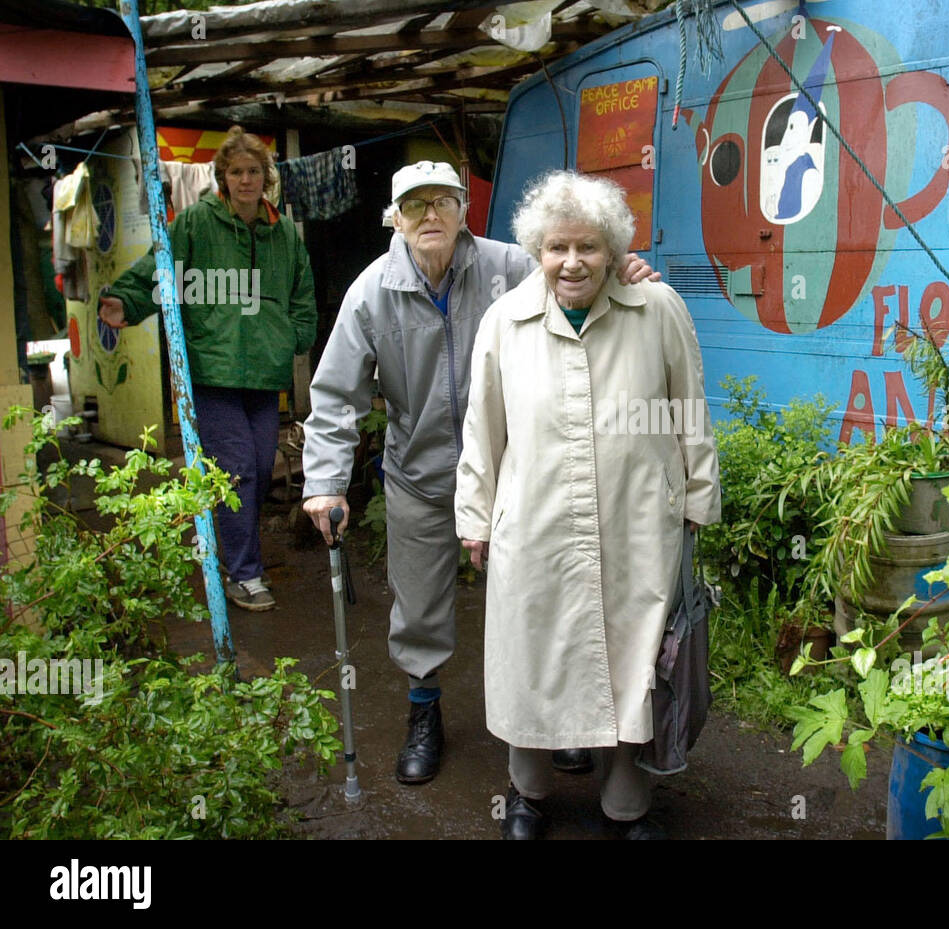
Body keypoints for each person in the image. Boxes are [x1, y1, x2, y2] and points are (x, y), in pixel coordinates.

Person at [300, 162, 658, 786]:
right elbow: (335, 397)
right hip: (420, 472)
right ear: (396, 219)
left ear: (465, 208)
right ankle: (424, 711)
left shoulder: (511, 264)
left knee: (549, 600)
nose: (429, 215)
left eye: (442, 201)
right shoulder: (371, 292)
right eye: (414, 205)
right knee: (419, 608)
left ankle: (561, 723)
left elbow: (577, 281)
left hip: (517, 471)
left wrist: (621, 271)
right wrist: (326, 482)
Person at [454, 170, 721, 840]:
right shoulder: (504, 322)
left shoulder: (656, 309)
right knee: (530, 655)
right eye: (556, 248)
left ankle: (625, 803)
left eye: (589, 247)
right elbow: (482, 429)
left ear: (612, 249)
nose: (572, 261)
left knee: (632, 659)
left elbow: (690, 409)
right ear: (536, 252)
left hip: (637, 522)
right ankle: (528, 791)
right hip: (535, 521)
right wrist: (474, 516)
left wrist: (697, 498)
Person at [99, 126, 317, 613]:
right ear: (222, 178)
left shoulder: (283, 233)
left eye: (254, 171)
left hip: (263, 374)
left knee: (261, 470)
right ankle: (245, 574)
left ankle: (225, 553)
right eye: (237, 172)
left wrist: (294, 337)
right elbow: (160, 270)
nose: (246, 180)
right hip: (212, 373)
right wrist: (126, 301)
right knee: (236, 471)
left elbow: (303, 291)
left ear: (266, 177)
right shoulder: (196, 223)